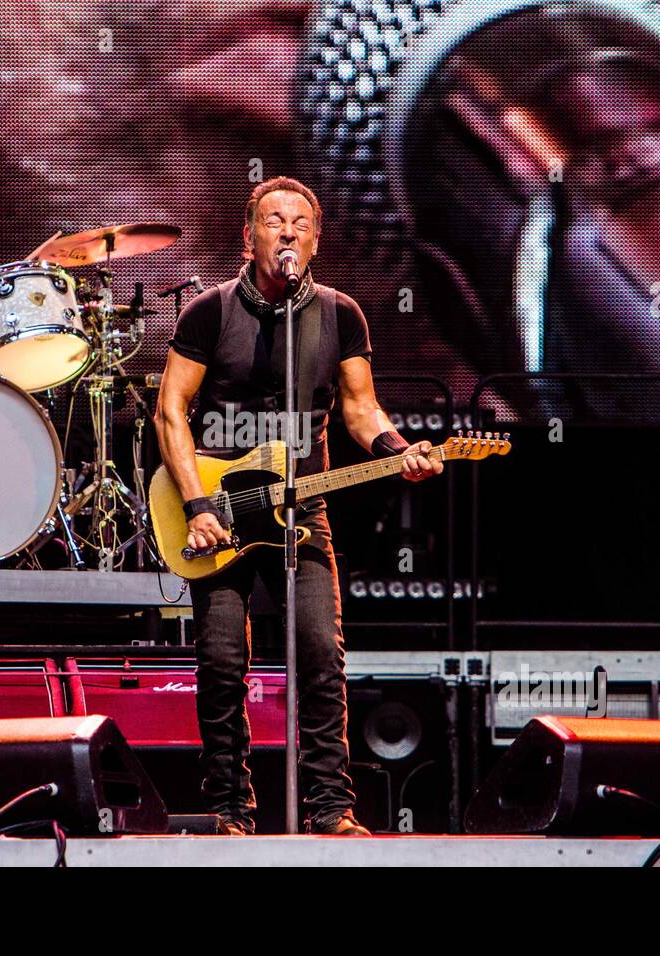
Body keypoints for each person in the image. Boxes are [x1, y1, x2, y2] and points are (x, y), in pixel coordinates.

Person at [154, 176, 443, 835]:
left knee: (320, 652)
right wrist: (197, 504)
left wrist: (400, 448)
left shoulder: (340, 314)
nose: (286, 231)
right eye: (273, 220)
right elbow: (170, 409)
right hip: (217, 511)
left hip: (300, 513)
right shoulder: (210, 311)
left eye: (300, 223)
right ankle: (230, 809)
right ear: (248, 234)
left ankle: (330, 810)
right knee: (223, 663)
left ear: (315, 241)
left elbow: (360, 408)